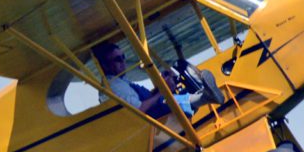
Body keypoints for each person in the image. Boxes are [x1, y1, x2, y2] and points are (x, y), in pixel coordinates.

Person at [92, 42, 223, 118]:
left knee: (175, 93)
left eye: (123, 57)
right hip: (149, 123)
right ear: (104, 65)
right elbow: (138, 110)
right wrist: (161, 93)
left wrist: (161, 87)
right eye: (117, 59)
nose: (123, 62)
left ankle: (203, 92)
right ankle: (206, 97)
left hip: (152, 115)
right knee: (167, 101)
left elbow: (142, 101)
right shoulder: (114, 85)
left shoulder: (121, 81)